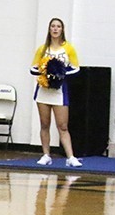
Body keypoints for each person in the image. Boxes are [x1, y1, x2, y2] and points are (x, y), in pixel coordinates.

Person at [29, 18, 82, 167]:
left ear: (62, 30)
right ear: (49, 29)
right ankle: (46, 155)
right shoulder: (42, 49)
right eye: (53, 26)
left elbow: (76, 68)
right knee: (44, 124)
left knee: (63, 126)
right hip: (43, 91)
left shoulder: (68, 48)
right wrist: (46, 72)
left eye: (58, 26)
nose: (55, 29)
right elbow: (33, 68)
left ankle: (70, 157)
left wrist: (60, 75)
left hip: (59, 91)